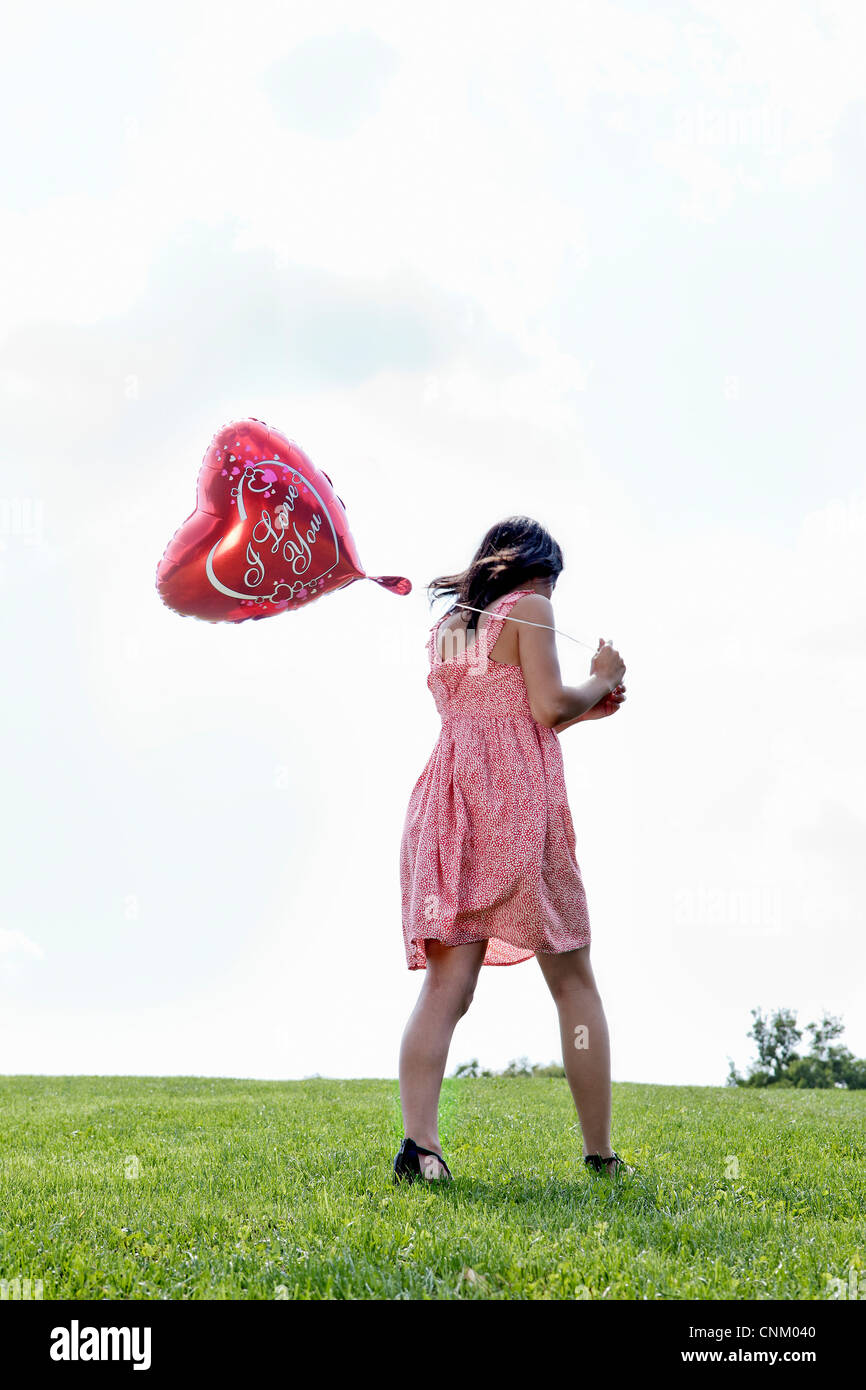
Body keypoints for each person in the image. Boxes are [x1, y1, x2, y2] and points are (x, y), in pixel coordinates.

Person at [396, 516, 628, 1183]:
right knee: (573, 979)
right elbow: (548, 706)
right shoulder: (531, 606)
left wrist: (586, 706)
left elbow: (497, 715)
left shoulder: (449, 631)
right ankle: (600, 1156)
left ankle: (421, 1149)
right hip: (517, 813)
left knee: (446, 985)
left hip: (450, 803)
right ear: (537, 570)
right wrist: (600, 679)